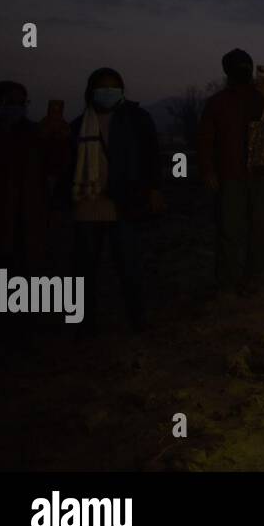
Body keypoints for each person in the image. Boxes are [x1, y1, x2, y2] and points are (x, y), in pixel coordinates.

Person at [66, 68, 163, 334]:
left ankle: (137, 320)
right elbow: (66, 166)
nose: (107, 92)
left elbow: (152, 155)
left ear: (121, 91)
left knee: (129, 266)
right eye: (102, 87)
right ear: (91, 91)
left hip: (124, 202)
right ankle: (83, 324)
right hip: (87, 203)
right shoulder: (77, 126)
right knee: (84, 270)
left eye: (113, 87)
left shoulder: (137, 119)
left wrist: (154, 189)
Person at [197, 48, 264, 295]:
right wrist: (208, 169)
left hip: (261, 173)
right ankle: (230, 280)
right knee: (231, 230)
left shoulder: (263, 97)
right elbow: (205, 140)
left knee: (259, 229)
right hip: (232, 174)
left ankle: (252, 277)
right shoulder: (217, 103)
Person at [0, 81, 48, 277]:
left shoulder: (32, 135)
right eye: (10, 101)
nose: (16, 107)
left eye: (21, 102)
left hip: (22, 219)